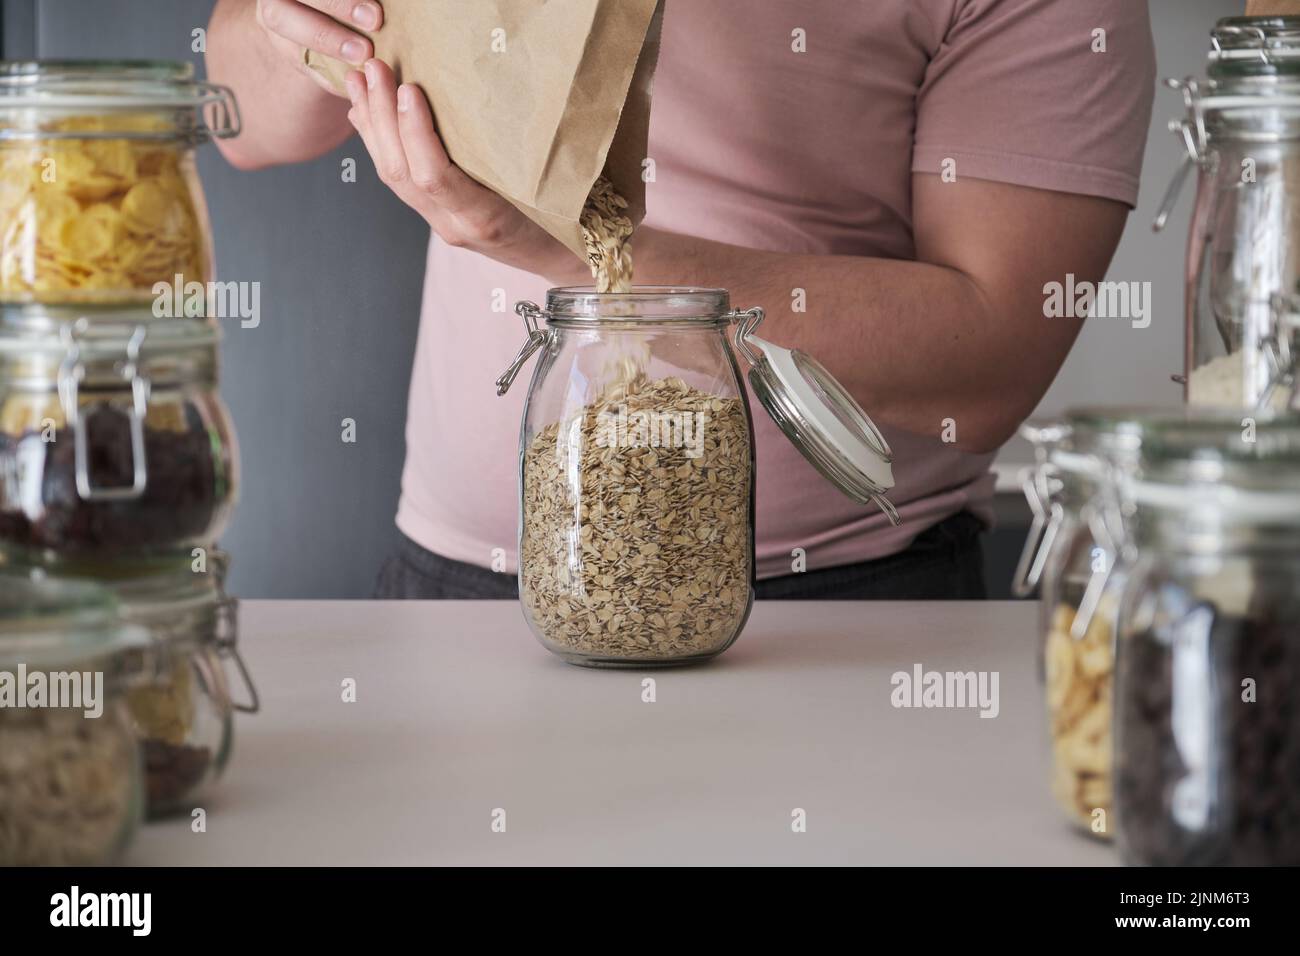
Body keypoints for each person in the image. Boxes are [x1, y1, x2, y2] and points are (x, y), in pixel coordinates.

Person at [207, 0, 1155, 600]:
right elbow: (238, 117)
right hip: (464, 587)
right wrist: (308, 25)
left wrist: (565, 248)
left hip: (843, 606)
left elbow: (989, 366)